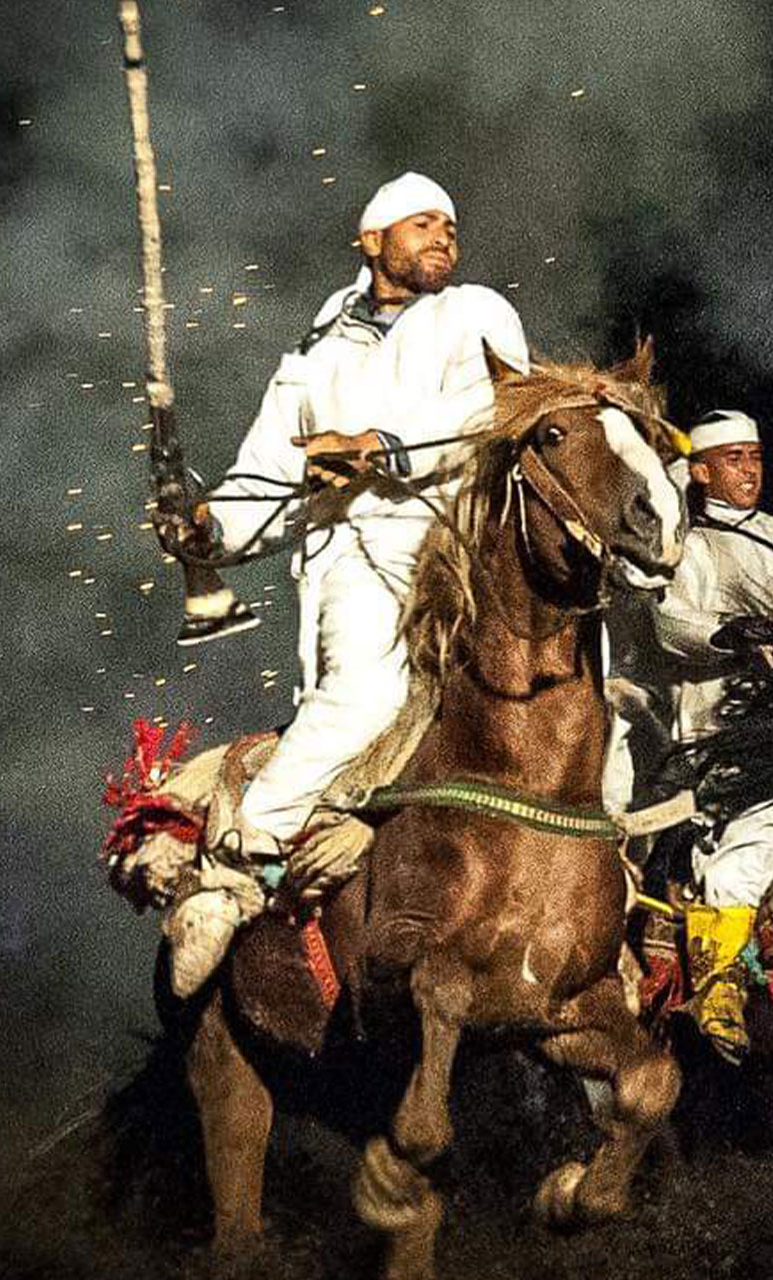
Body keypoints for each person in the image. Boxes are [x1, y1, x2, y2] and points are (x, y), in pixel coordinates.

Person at [161, 172, 530, 996]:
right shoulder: (312, 349)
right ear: (372, 241)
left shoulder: (475, 313)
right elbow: (269, 471)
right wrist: (211, 529)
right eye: (423, 223)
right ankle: (237, 868)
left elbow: (491, 415)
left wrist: (382, 446)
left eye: (450, 224)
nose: (444, 236)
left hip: (453, 558)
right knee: (361, 697)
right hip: (347, 563)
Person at [650, 410, 773, 1059]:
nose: (749, 470)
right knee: (754, 842)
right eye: (733, 459)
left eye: (755, 456)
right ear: (701, 471)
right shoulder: (692, 547)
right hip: (730, 735)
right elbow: (672, 625)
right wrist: (737, 636)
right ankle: (718, 990)